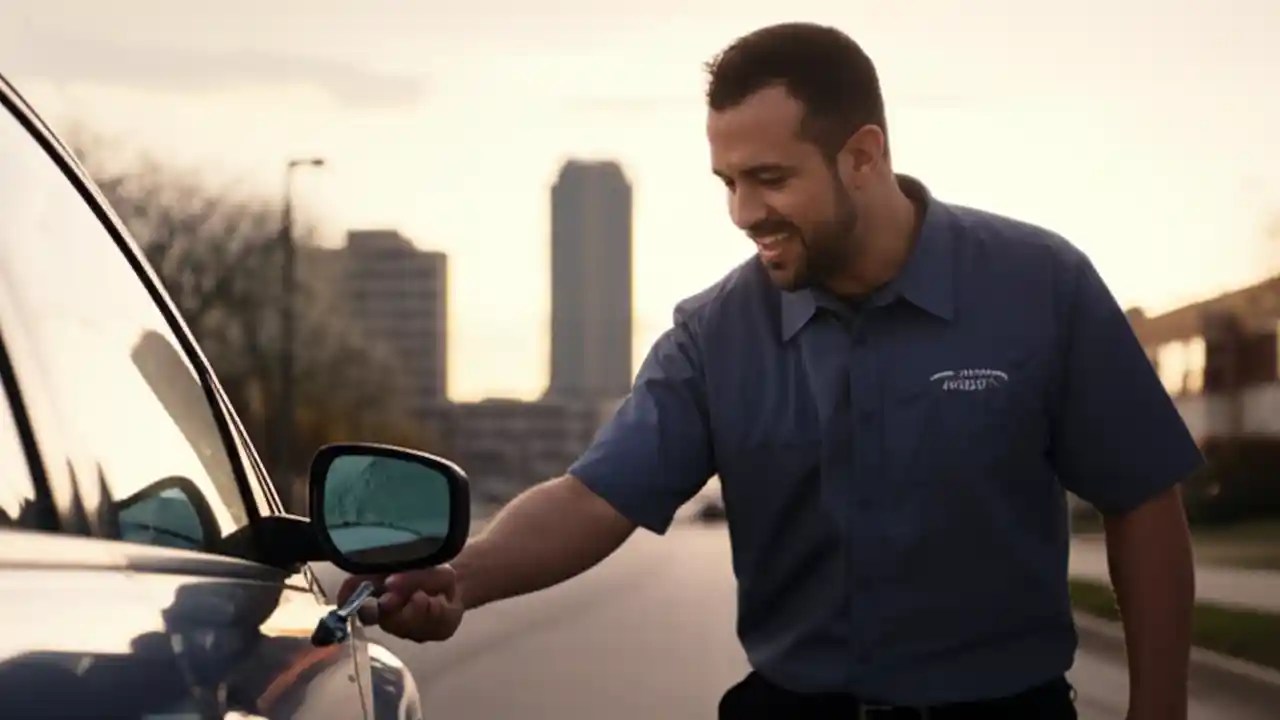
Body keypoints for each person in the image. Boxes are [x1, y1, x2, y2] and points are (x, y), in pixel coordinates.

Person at [340, 22, 1199, 719]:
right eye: (727, 182)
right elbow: (595, 496)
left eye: (770, 178)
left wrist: (1157, 711)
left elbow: (1141, 501)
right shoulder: (716, 331)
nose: (745, 213)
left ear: (862, 156)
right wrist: (464, 576)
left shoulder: (1040, 285)